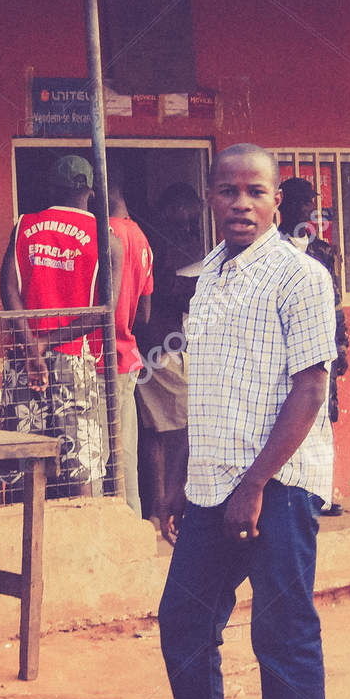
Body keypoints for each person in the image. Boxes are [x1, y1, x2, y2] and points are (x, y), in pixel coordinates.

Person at [125, 144, 337, 699]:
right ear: (211, 198)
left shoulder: (300, 277)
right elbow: (207, 389)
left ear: (277, 200)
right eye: (227, 190)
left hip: (279, 482)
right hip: (214, 481)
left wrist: (255, 483)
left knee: (283, 631)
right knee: (184, 620)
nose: (240, 203)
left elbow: (311, 388)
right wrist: (183, 478)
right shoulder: (207, 277)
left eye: (255, 191)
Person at [0, 155, 123, 498]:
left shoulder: (25, 225)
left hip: (23, 359)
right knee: (79, 457)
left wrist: (32, 345)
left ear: (51, 187)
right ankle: (84, 541)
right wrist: (48, 343)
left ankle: (21, 540)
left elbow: (8, 288)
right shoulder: (106, 239)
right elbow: (103, 311)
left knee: (24, 453)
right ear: (92, 192)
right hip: (74, 359)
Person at [278, 177, 349, 514]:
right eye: (303, 201)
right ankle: (295, 493)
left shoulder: (322, 250)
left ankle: (322, 495)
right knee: (289, 416)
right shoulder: (272, 250)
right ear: (284, 203)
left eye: (310, 201)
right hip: (285, 349)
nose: (308, 208)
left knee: (323, 419)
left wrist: (342, 345)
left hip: (323, 347)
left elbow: (336, 303)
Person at [134, 182, 201, 531]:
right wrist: (205, 287)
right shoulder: (159, 239)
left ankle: (158, 508)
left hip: (151, 346)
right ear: (175, 209)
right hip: (161, 347)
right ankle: (168, 507)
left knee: (154, 431)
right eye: (189, 216)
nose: (191, 225)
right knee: (186, 427)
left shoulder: (151, 236)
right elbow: (163, 290)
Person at [108, 181, 154, 517]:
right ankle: (133, 521)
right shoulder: (141, 238)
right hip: (128, 355)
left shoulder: (100, 232)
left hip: (96, 357)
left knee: (97, 454)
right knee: (127, 453)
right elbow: (146, 313)